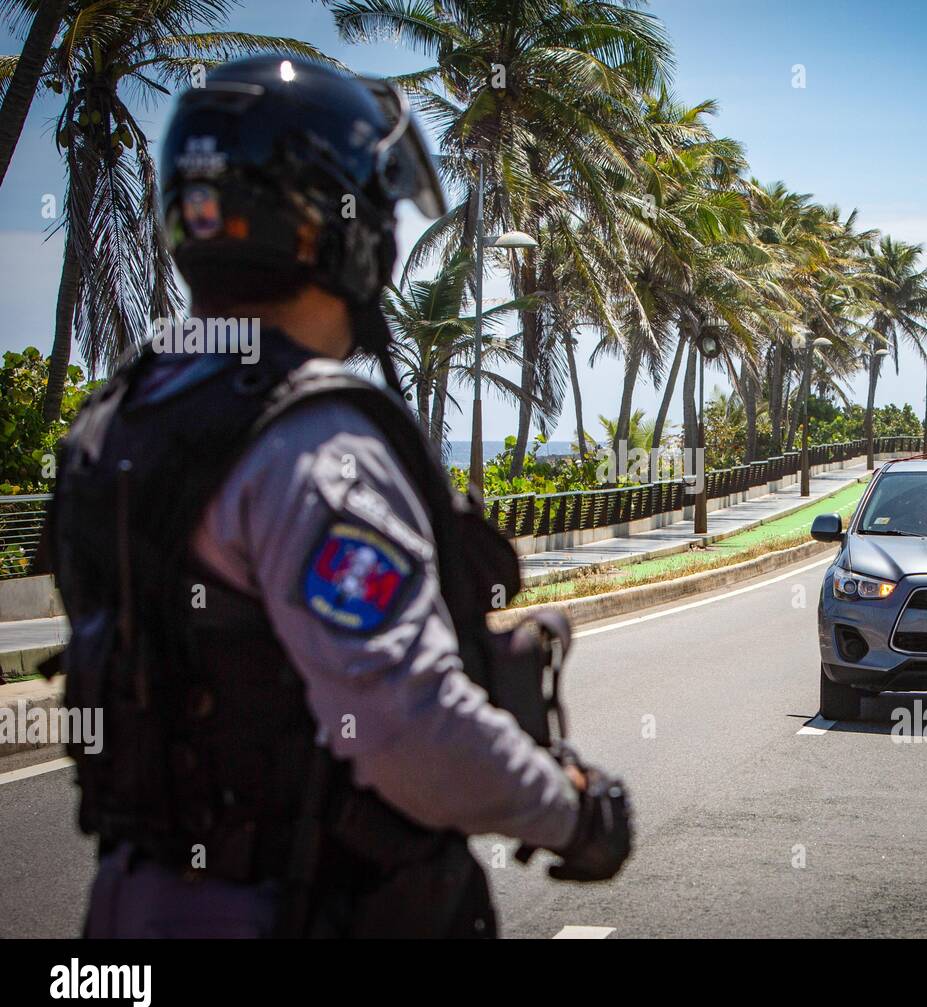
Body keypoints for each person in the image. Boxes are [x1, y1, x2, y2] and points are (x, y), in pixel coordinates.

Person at [47, 56, 630, 939]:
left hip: (133, 908)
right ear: (341, 233)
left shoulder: (120, 419)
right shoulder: (315, 449)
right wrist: (574, 813)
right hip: (306, 910)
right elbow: (408, 728)